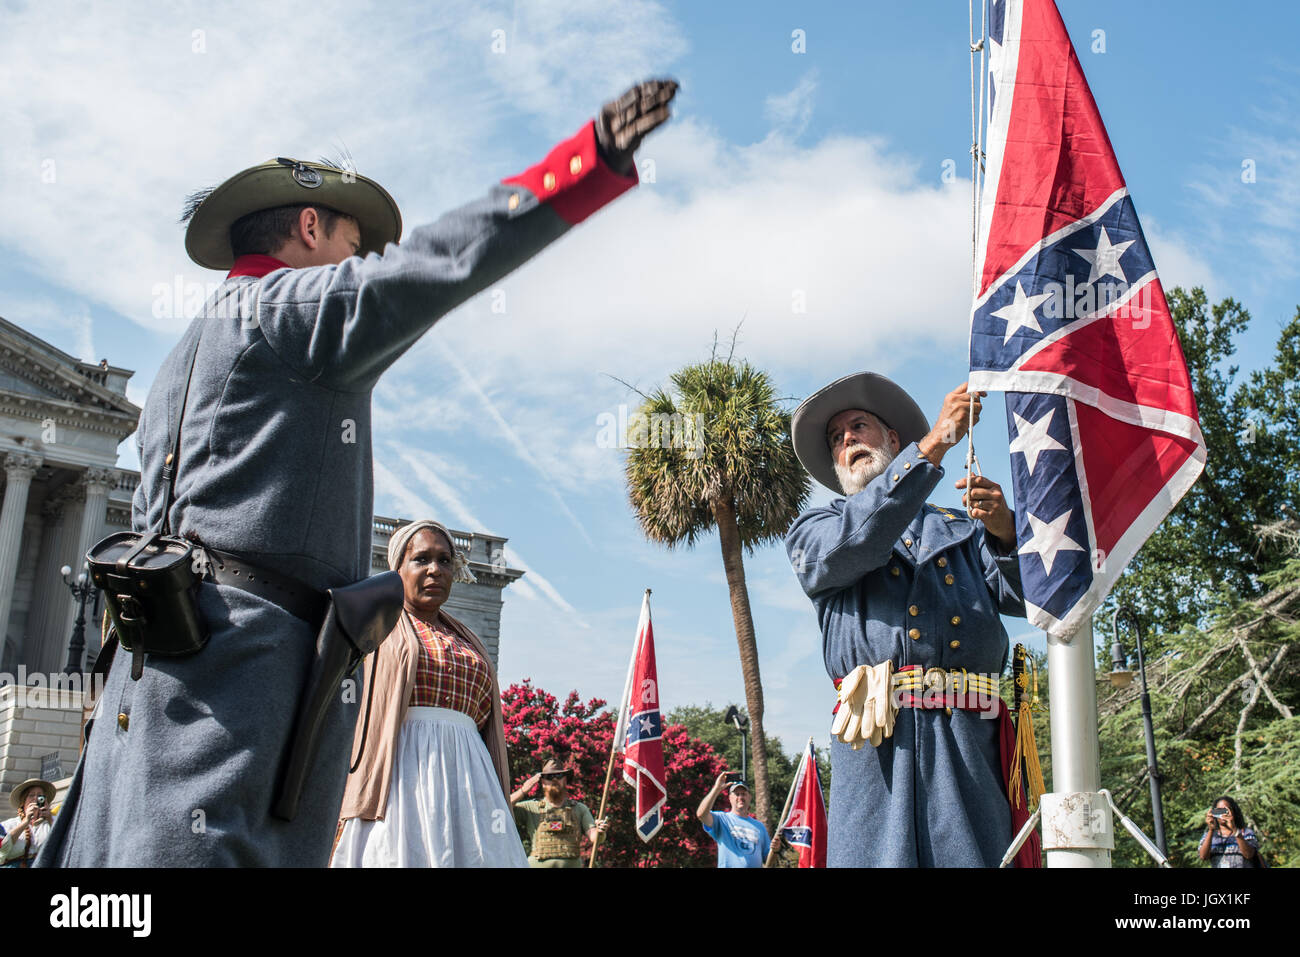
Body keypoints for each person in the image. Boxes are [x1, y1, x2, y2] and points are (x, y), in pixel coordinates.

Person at [39, 79, 678, 868]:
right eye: (352, 242)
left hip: (162, 664)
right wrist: (586, 163)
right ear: (309, 226)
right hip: (248, 667)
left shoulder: (181, 355)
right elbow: (431, 268)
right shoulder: (289, 310)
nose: (360, 261)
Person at [785, 373, 1031, 867]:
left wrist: (1005, 532)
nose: (848, 439)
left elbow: (1029, 598)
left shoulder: (964, 530)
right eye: (837, 438)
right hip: (875, 749)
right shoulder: (816, 529)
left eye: (859, 426)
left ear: (893, 442)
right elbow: (855, 544)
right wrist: (935, 445)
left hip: (970, 747)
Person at [333, 519, 525, 867]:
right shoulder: (375, 628)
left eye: (444, 560)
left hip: (470, 776)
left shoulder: (469, 641)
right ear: (397, 569)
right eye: (421, 559)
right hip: (401, 771)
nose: (435, 569)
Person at [509, 759, 608, 868]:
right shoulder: (531, 808)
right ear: (542, 783)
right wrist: (523, 790)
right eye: (549, 777)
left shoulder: (579, 809)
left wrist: (600, 831)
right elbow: (502, 807)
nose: (555, 779)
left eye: (559, 775)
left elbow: (594, 836)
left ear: (565, 780)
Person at [696, 773, 778, 868]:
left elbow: (768, 861)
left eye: (743, 794)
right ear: (730, 798)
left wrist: (775, 851)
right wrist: (717, 788)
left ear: (749, 797)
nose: (740, 797)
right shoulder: (722, 819)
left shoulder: (759, 827)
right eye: (737, 794)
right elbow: (701, 814)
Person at [0, 779, 55, 867]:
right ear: (23, 802)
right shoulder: (7, 825)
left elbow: (65, 843)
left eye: (40, 796)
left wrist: (50, 819)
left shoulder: (54, 821)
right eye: (31, 795)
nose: (36, 798)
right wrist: (25, 822)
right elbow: (2, 850)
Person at [1198, 796, 1261, 868]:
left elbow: (1248, 855)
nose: (1223, 815)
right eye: (1219, 811)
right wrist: (1211, 830)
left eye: (1226, 810)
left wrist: (1234, 830)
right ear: (1214, 813)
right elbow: (1203, 856)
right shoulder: (1210, 836)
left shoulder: (1246, 833)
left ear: (1233, 812)